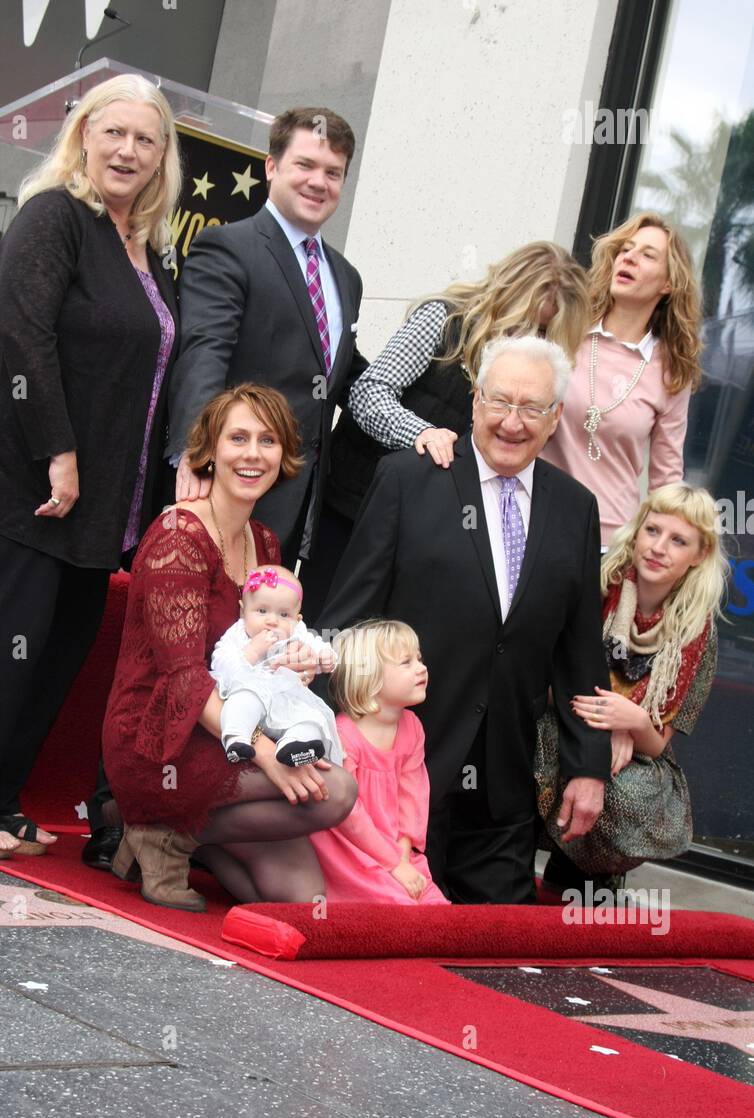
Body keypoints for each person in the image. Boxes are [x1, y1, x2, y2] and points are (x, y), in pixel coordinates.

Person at [0, 74, 181, 862]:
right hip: (25, 482)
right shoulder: (52, 215)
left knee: (54, 652)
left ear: (164, 155)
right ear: (83, 137)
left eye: (145, 138)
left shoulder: (148, 248)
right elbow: (25, 339)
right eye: (114, 133)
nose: (127, 150)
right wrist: (56, 453)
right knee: (5, 641)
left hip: (100, 505)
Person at [318, 336, 611, 905]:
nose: (511, 422)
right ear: (474, 401)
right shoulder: (408, 480)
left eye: (532, 409)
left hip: (501, 794)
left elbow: (581, 655)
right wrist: (323, 738)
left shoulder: (576, 509)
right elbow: (348, 617)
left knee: (494, 952)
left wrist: (588, 767)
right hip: (397, 780)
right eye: (500, 401)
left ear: (554, 420)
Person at [103, 385, 356, 911]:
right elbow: (183, 679)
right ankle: (155, 824)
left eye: (267, 440)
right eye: (237, 438)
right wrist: (267, 755)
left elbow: (260, 650)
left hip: (232, 728)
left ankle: (184, 834)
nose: (252, 454)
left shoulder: (264, 543)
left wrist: (296, 664)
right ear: (210, 449)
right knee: (339, 792)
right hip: (161, 736)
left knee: (297, 899)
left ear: (283, 453)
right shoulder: (179, 536)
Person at [165, 106, 367, 615]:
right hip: (227, 488)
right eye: (305, 165)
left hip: (299, 504)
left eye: (333, 172)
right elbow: (204, 351)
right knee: (203, 635)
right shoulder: (228, 247)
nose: (318, 182)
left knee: (259, 647)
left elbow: (340, 374)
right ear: (271, 166)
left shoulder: (346, 277)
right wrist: (199, 453)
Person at [322, 242, 590, 548]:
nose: (528, 335)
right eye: (524, 320)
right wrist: (422, 434)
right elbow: (369, 391)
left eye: (542, 331)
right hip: (354, 505)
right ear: (504, 296)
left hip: (431, 527)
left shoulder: (531, 370)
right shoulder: (445, 319)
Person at [535, 483, 726, 889]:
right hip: (562, 714)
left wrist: (634, 721)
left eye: (679, 541)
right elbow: (541, 678)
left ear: (700, 555)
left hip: (635, 748)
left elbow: (658, 743)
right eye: (652, 530)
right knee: (537, 751)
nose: (659, 548)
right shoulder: (597, 583)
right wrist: (608, 723)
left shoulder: (698, 632)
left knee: (629, 793)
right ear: (637, 530)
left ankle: (580, 893)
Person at [541, 213, 703, 547]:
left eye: (647, 255)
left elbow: (666, 480)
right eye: (626, 249)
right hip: (531, 519)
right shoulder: (566, 328)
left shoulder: (671, 371)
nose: (628, 257)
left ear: (668, 284)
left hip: (606, 543)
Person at [310, 621, 448, 905]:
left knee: (436, 905)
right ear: (370, 677)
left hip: (394, 848)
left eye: (419, 658)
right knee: (400, 905)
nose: (421, 667)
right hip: (351, 849)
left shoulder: (412, 727)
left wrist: (403, 855)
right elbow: (350, 815)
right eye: (406, 662)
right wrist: (392, 863)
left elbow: (413, 798)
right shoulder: (344, 733)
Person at [211, 563, 341, 767]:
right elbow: (220, 665)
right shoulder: (238, 634)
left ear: (297, 620)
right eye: (262, 611)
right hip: (253, 694)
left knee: (312, 719)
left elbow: (315, 646)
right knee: (242, 700)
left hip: (286, 703)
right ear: (243, 612)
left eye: (283, 615)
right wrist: (252, 651)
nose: (272, 620)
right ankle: (236, 739)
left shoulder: (297, 633)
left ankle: (293, 746)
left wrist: (325, 657)